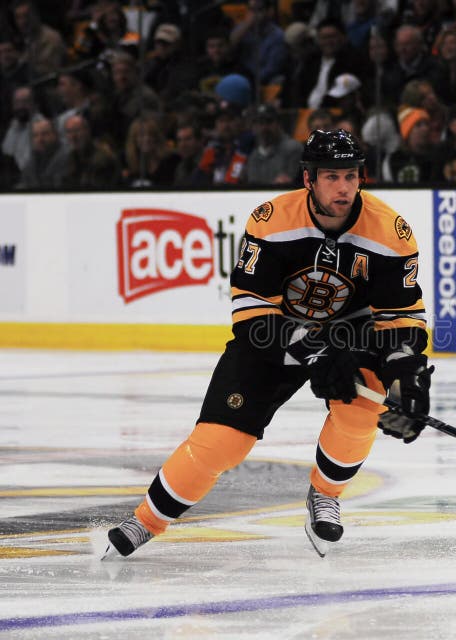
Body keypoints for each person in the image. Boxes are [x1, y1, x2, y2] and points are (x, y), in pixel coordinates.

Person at [103, 129, 432, 559]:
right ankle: (146, 520)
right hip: (272, 336)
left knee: (363, 407)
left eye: (350, 176)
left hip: (348, 335)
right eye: (331, 177)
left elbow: (399, 317)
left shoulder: (391, 232)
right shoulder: (272, 219)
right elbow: (252, 311)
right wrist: (312, 350)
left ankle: (325, 495)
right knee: (222, 441)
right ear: (309, 179)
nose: (343, 187)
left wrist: (405, 373)